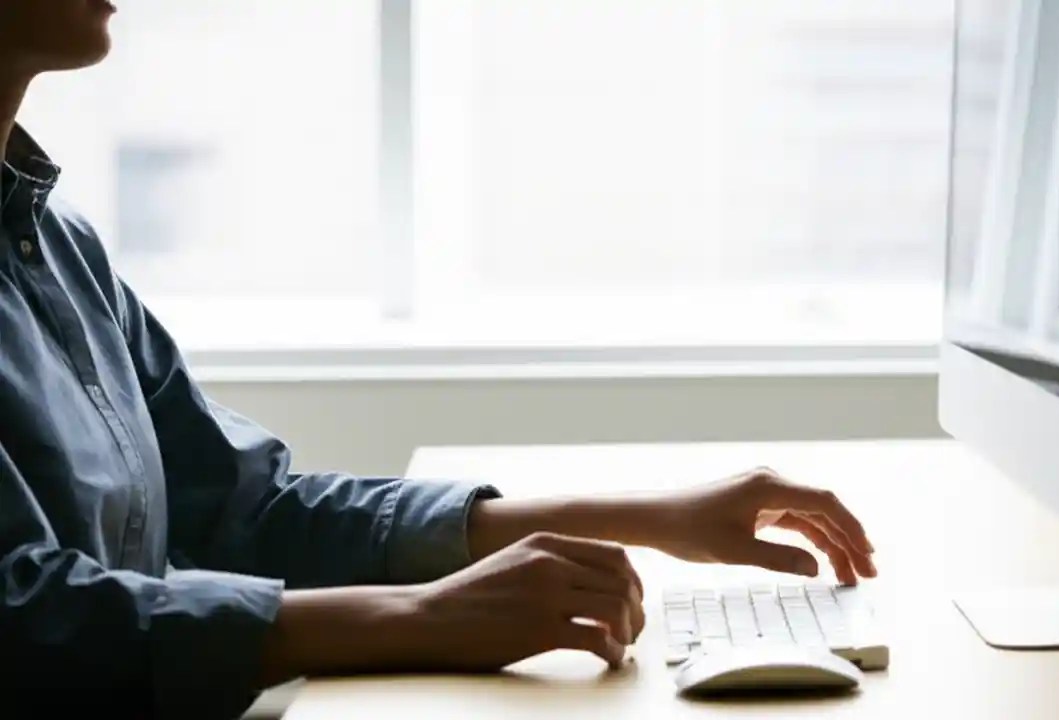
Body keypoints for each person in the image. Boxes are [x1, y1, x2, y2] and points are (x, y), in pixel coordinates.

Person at [0, 2, 877, 718]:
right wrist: (423, 618)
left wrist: (648, 516)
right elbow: (28, 621)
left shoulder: (56, 240)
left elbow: (252, 512)